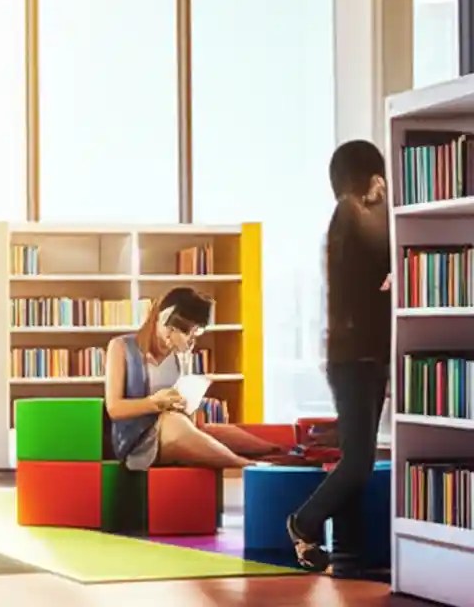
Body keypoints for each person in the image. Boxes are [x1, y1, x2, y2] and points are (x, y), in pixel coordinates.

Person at [287, 140, 392, 576]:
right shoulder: (350, 213)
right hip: (354, 357)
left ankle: (347, 550)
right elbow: (374, 256)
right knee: (358, 461)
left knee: (358, 457)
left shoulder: (354, 215)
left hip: (364, 355)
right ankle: (303, 523)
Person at [106, 287, 282, 471]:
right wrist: (155, 403)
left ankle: (280, 453)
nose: (174, 337)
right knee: (175, 423)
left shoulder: (179, 355)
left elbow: (188, 417)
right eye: (173, 328)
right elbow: (114, 409)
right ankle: (247, 466)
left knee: (213, 431)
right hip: (137, 441)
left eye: (190, 332)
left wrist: (185, 401)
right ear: (157, 316)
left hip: (176, 424)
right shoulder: (121, 347)